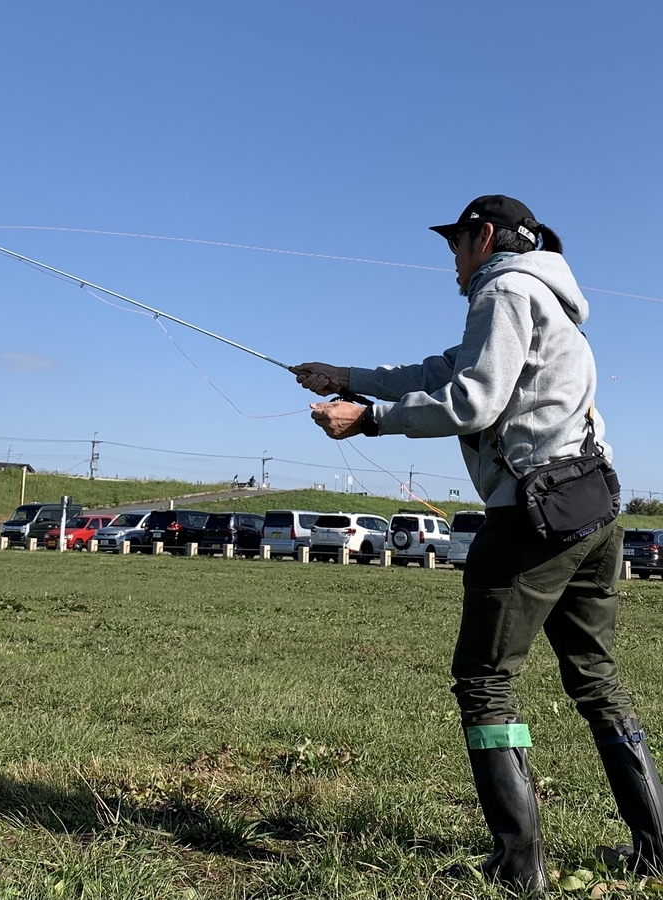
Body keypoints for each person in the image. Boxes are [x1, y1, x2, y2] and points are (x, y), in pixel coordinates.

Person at [293, 195, 660, 893]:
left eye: (455, 249)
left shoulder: (505, 288)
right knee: (598, 682)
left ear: (483, 237)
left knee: (486, 683)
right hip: (592, 507)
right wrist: (349, 378)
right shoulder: (551, 300)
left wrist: (368, 420)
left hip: (531, 518)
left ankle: (520, 866)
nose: (453, 266)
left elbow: (474, 400)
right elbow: (446, 369)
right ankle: (657, 849)